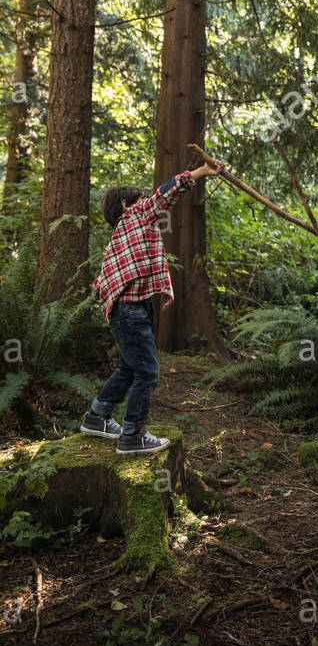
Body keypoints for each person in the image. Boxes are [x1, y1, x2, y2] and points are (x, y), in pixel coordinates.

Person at [81, 158, 223, 456]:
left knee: (129, 368)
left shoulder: (120, 236)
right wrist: (201, 172)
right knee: (148, 373)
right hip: (131, 310)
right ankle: (132, 435)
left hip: (130, 309)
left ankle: (98, 416)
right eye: (141, 200)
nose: (148, 203)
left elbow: (102, 283)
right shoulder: (135, 217)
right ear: (126, 206)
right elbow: (165, 194)